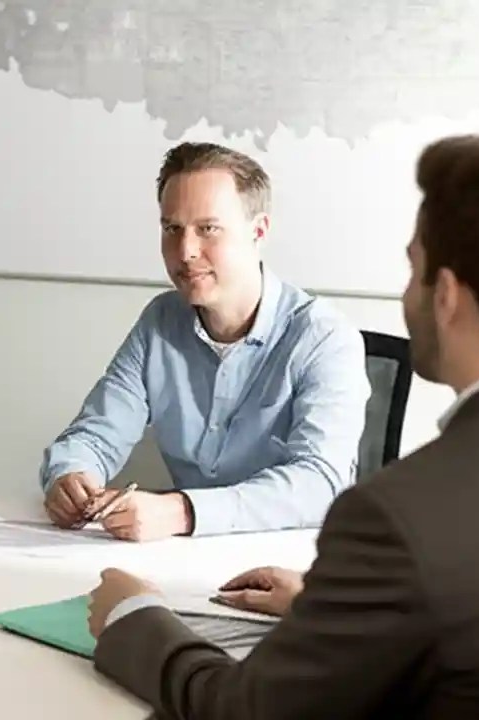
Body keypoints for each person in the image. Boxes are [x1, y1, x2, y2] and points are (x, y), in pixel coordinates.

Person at [85, 134, 479, 718]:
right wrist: (334, 605)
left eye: (414, 269)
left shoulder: (393, 517)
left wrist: (134, 618)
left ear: (446, 296)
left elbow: (244, 712)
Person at [40, 142, 369, 540]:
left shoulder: (325, 337)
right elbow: (96, 434)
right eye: (172, 229)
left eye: (208, 229)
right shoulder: (160, 322)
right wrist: (71, 475)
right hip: (185, 558)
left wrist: (184, 512)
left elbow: (321, 483)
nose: (185, 251)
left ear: (258, 231)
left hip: (289, 562)